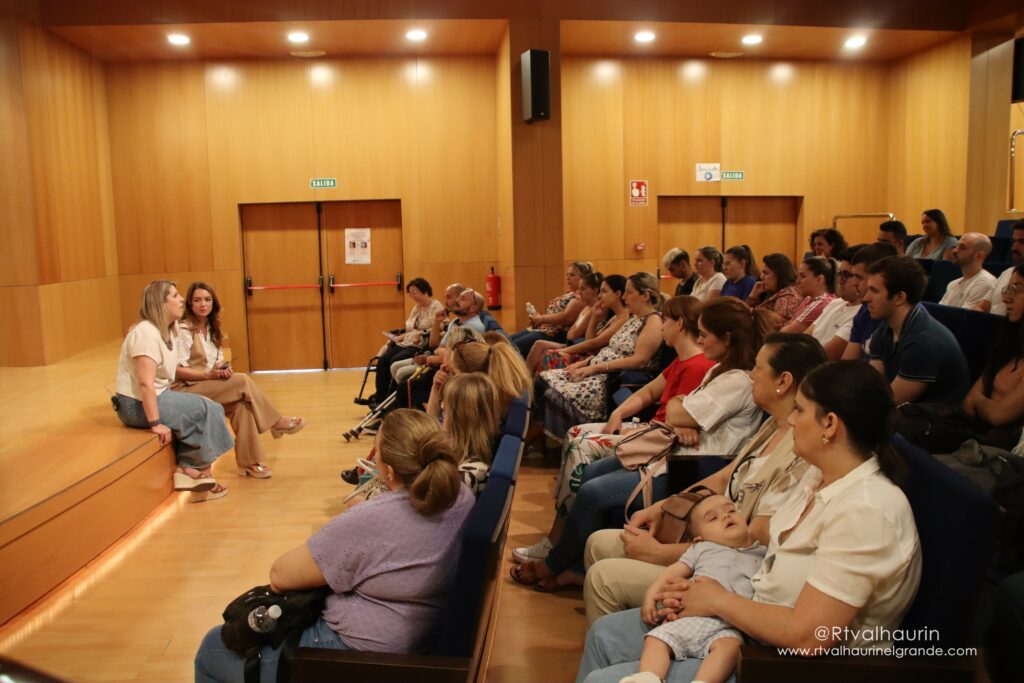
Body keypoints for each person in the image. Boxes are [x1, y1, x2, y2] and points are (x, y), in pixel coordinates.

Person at [577, 361, 922, 683]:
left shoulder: (867, 510)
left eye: (800, 410)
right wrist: (697, 578)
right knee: (604, 635)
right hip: (747, 615)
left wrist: (715, 600)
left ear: (829, 425)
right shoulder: (818, 476)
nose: (789, 421)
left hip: (784, 663)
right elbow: (761, 546)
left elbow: (808, 636)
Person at [511, 299, 772, 591]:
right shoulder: (719, 370)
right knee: (590, 471)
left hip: (692, 469)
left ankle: (553, 563)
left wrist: (680, 412)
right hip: (672, 451)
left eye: (705, 335)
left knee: (592, 493)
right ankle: (572, 560)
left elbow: (675, 409)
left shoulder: (736, 380)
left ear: (726, 339)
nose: (699, 341)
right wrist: (679, 413)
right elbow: (673, 406)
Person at [194, 409, 473, 682]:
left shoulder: (372, 520)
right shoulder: (460, 495)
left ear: (387, 471)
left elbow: (280, 576)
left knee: (211, 651)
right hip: (420, 636)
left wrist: (356, 518)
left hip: (359, 654)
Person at [582, 334, 827, 624]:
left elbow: (753, 540)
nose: (751, 376)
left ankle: (646, 644)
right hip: (712, 540)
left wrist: (662, 554)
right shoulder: (773, 426)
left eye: (758, 369)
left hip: (731, 566)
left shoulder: (801, 450)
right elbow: (725, 476)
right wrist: (661, 508)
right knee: (599, 542)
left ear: (783, 382)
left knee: (604, 578)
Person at [512, 296, 714, 564]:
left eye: (666, 320)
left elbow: (682, 418)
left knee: (579, 444)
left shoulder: (698, 365)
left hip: (658, 439)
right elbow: (649, 391)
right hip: (652, 431)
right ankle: (563, 529)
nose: (662, 326)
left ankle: (557, 540)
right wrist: (618, 412)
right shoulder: (681, 361)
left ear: (679, 323)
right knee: (575, 433)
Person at [619, 495, 766, 683]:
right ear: (699, 538)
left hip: (729, 624)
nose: (725, 517)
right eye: (713, 518)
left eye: (731, 510)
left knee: (731, 648)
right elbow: (671, 573)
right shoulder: (702, 548)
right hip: (692, 615)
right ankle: (649, 677)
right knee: (656, 639)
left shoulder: (762, 553)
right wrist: (650, 595)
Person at [113, 281, 234, 502]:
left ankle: (197, 473)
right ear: (160, 303)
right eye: (175, 296)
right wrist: (154, 423)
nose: (182, 301)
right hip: (135, 404)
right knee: (205, 408)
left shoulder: (170, 328)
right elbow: (145, 384)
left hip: (159, 395)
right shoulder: (147, 334)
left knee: (211, 407)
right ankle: (191, 471)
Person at [174, 282, 304, 480]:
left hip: (207, 385)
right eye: (197, 300)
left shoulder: (212, 328)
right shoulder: (184, 331)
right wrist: (210, 374)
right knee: (242, 381)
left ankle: (249, 464)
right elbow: (177, 371)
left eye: (207, 300)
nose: (203, 304)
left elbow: (215, 362)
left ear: (213, 303)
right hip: (185, 390)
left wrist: (224, 370)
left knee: (242, 406)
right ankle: (277, 422)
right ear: (190, 304)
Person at [534, 273, 665, 441]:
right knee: (542, 380)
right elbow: (609, 349)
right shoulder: (634, 319)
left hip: (607, 380)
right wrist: (584, 363)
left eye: (629, 292)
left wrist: (595, 367)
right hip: (595, 371)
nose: (624, 297)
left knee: (550, 393)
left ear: (645, 296)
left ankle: (532, 440)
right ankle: (535, 438)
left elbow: (639, 360)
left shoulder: (653, 321)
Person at [865, 256, 969, 405]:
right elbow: (873, 386)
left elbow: (887, 406)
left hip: (936, 423)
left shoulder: (925, 342)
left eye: (874, 291)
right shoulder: (885, 329)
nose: (865, 298)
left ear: (899, 297)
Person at [962, 265, 1024, 449]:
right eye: (1007, 289)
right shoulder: (1008, 346)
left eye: (1018, 289)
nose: (1006, 298)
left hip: (1004, 455)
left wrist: (980, 402)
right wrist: (989, 407)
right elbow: (967, 403)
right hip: (975, 437)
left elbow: (1000, 416)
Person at [527, 273, 629, 374]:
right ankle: (528, 382)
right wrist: (594, 318)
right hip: (591, 355)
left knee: (551, 354)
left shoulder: (624, 318)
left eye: (604, 291)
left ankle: (532, 384)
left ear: (617, 294)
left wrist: (565, 350)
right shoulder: (614, 316)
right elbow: (591, 340)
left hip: (603, 363)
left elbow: (593, 344)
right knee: (541, 346)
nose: (600, 296)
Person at [366, 277, 445, 405]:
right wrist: (398, 337)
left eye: (415, 292)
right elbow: (409, 328)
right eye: (411, 293)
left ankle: (392, 396)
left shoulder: (436, 306)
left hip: (420, 343)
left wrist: (420, 333)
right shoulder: (417, 308)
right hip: (407, 341)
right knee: (383, 360)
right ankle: (381, 395)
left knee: (393, 360)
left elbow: (441, 327)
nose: (413, 296)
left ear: (424, 290)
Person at [510, 261, 593, 357]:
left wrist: (541, 319)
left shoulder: (581, 297)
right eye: (567, 275)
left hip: (553, 335)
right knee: (504, 342)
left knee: (510, 348)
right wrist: (538, 318)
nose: (568, 278)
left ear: (584, 278)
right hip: (543, 329)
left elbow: (566, 318)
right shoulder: (570, 294)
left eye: (572, 275)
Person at [441, 372, 501, 495]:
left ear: (456, 420)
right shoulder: (475, 462)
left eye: (444, 409)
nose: (442, 414)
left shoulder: (464, 477)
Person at [840, 242, 897, 360]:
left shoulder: (899, 324)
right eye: (853, 276)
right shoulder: (865, 310)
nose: (854, 282)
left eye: (859, 277)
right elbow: (848, 362)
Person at [804, 248, 862, 360]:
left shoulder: (860, 314)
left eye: (846, 275)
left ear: (859, 278)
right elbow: (805, 338)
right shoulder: (835, 303)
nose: (840, 280)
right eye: (839, 274)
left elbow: (826, 355)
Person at [780, 256, 837, 334]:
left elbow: (784, 334)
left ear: (819, 279)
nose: (797, 281)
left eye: (803, 276)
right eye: (798, 276)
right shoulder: (809, 298)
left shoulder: (821, 303)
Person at [940, 233, 996, 309]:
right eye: (957, 246)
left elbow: (964, 317)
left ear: (979, 255)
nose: (955, 250)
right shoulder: (953, 284)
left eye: (962, 248)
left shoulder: (985, 282)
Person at [980, 219, 1024, 315]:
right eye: (1014, 241)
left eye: (1022, 242)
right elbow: (982, 307)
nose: (1014, 247)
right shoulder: (1007, 273)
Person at [745, 253, 802, 326]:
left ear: (779, 275)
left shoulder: (787, 298)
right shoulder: (773, 292)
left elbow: (776, 328)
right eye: (762, 272)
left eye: (766, 273)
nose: (761, 276)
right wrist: (752, 296)